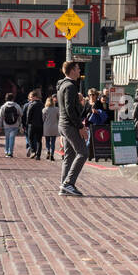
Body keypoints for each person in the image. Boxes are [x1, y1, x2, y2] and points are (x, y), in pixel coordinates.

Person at [56, 60, 88, 195]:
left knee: (69, 156)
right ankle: (68, 183)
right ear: (72, 70)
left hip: (63, 124)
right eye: (77, 68)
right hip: (70, 125)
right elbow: (70, 110)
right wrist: (80, 126)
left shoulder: (62, 85)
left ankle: (64, 186)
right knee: (83, 152)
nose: (79, 71)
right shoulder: (70, 86)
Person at [0, 92, 23, 157]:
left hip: (6, 125)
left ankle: (6, 151)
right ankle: (10, 152)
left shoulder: (3, 106)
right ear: (13, 98)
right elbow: (21, 114)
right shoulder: (17, 105)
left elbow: (0, 117)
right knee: (12, 138)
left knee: (7, 138)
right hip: (15, 124)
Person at [23, 90, 45, 160]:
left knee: (30, 138)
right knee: (39, 140)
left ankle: (33, 151)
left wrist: (27, 123)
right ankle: (38, 155)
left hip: (32, 125)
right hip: (40, 125)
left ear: (35, 97)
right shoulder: (42, 104)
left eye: (32, 97)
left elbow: (28, 115)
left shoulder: (31, 104)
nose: (31, 98)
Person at [42, 94, 60, 161]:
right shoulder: (57, 109)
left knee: (47, 141)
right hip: (54, 127)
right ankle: (52, 154)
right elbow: (59, 118)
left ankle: (48, 152)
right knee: (53, 142)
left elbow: (43, 119)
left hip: (46, 127)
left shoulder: (44, 110)